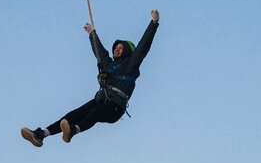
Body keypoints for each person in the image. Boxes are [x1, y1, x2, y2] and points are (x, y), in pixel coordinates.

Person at [21, 9, 160, 146]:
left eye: (121, 48)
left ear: (128, 51)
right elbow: (100, 52)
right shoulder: (109, 65)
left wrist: (153, 23)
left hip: (115, 106)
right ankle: (41, 134)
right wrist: (91, 33)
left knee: (95, 113)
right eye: (115, 48)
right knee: (74, 114)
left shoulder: (131, 64)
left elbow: (143, 46)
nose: (116, 50)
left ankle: (73, 131)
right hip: (101, 100)